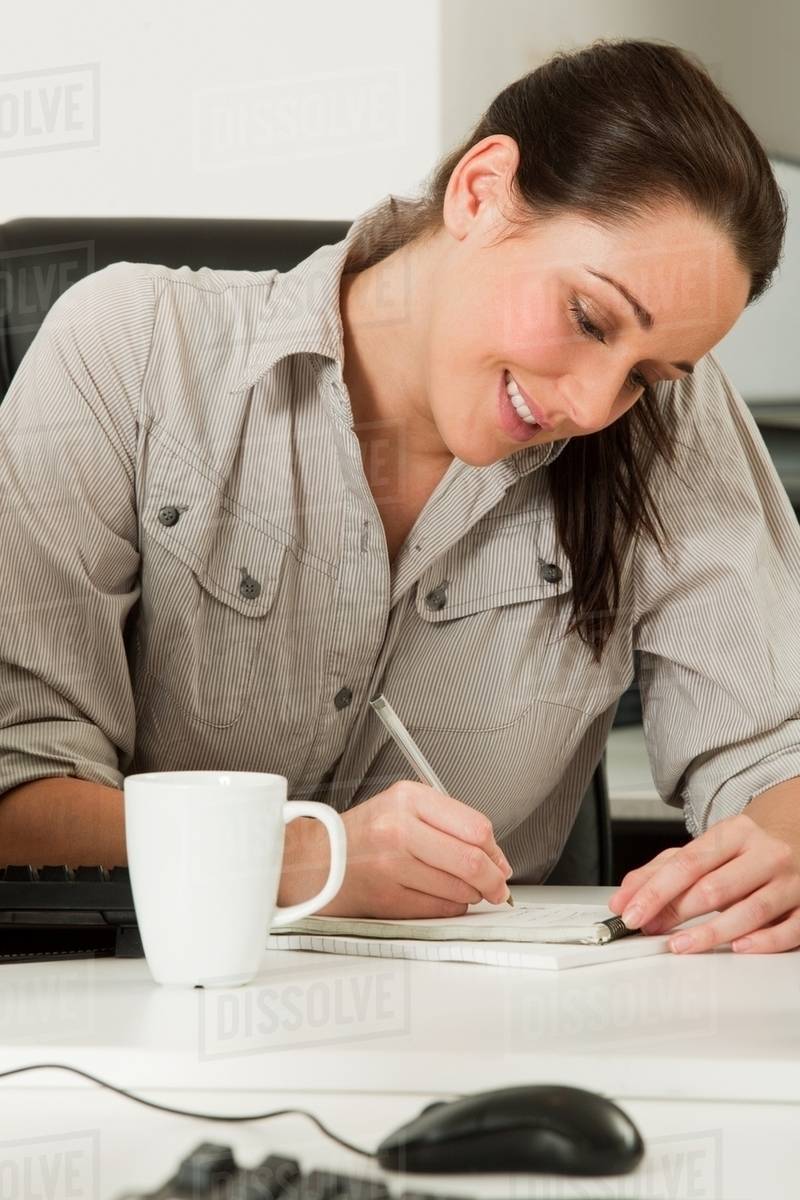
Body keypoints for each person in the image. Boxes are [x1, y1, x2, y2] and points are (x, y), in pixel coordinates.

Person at [1, 38, 799, 953]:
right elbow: (18, 801)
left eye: (645, 373)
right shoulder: (132, 354)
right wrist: (310, 858)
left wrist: (779, 852)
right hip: (131, 1025)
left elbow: (773, 752)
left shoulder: (664, 421)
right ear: (480, 190)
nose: (591, 405)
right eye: (587, 318)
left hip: (488, 1046)